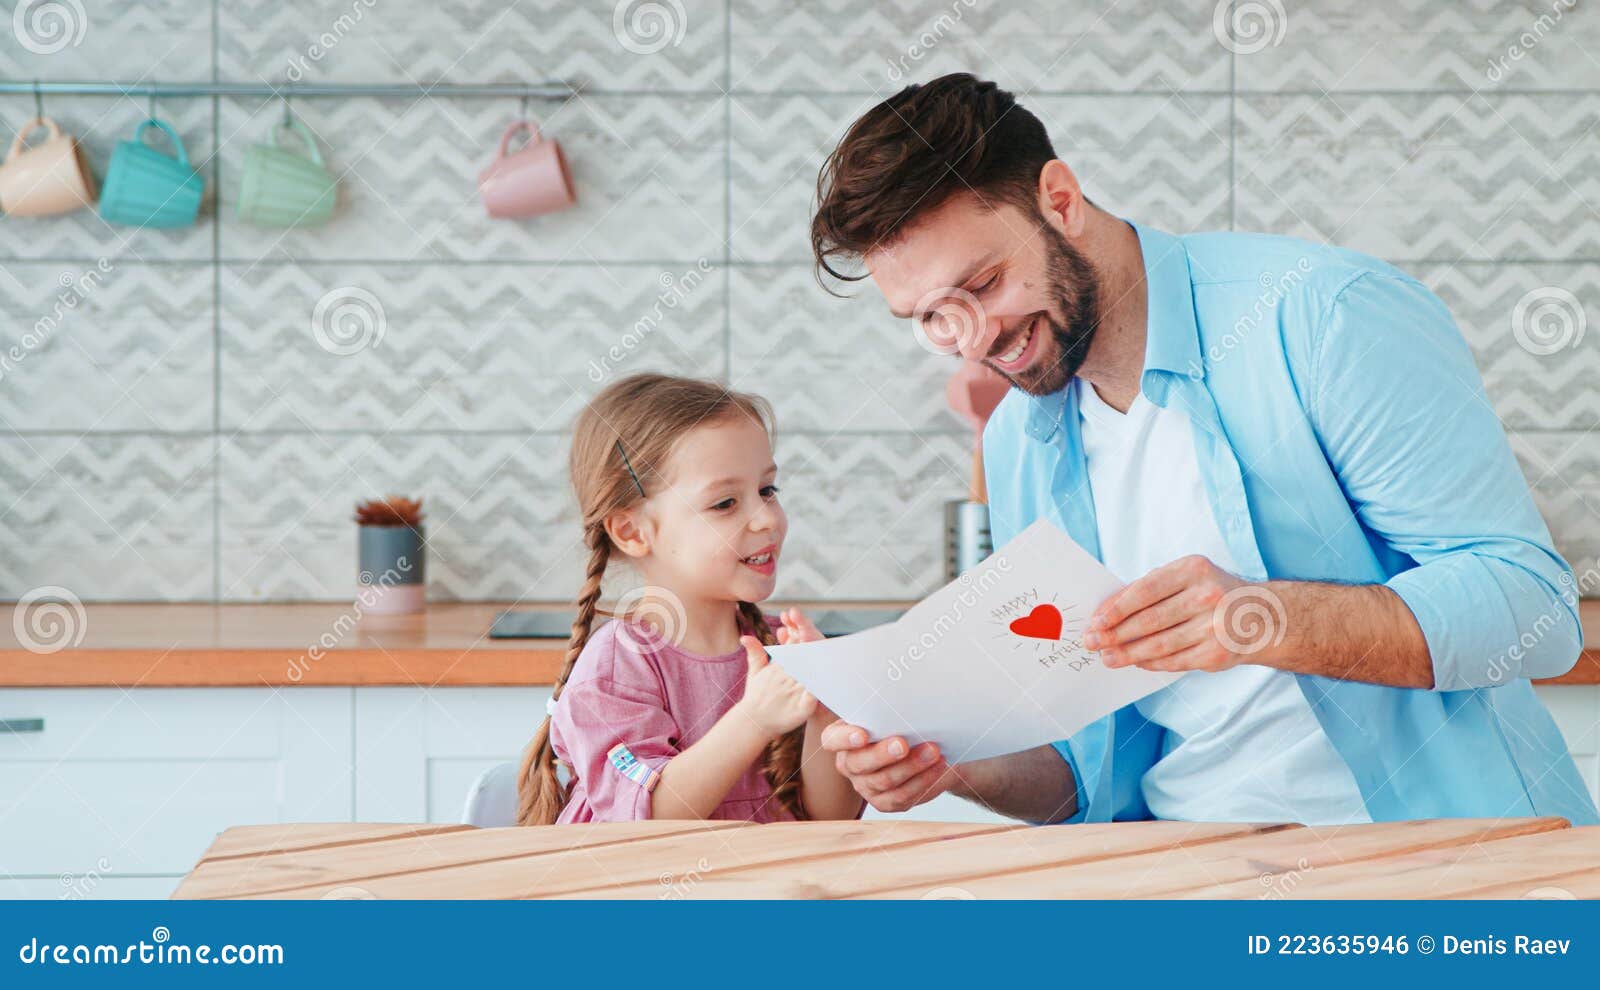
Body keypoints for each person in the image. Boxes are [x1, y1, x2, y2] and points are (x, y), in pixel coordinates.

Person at [809, 73, 1598, 826]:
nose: (973, 340)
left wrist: (1266, 616)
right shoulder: (1023, 436)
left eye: (981, 284)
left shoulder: (1323, 318)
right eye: (931, 317)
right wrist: (959, 768)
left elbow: (1535, 609)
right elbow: (1091, 780)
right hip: (1193, 877)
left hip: (1428, 873)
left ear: (1060, 200)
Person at [516, 373, 862, 824]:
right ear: (633, 531)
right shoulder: (619, 668)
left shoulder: (782, 645)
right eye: (725, 504)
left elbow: (829, 822)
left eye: (767, 490)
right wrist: (755, 719)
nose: (766, 520)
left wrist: (824, 711)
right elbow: (649, 820)